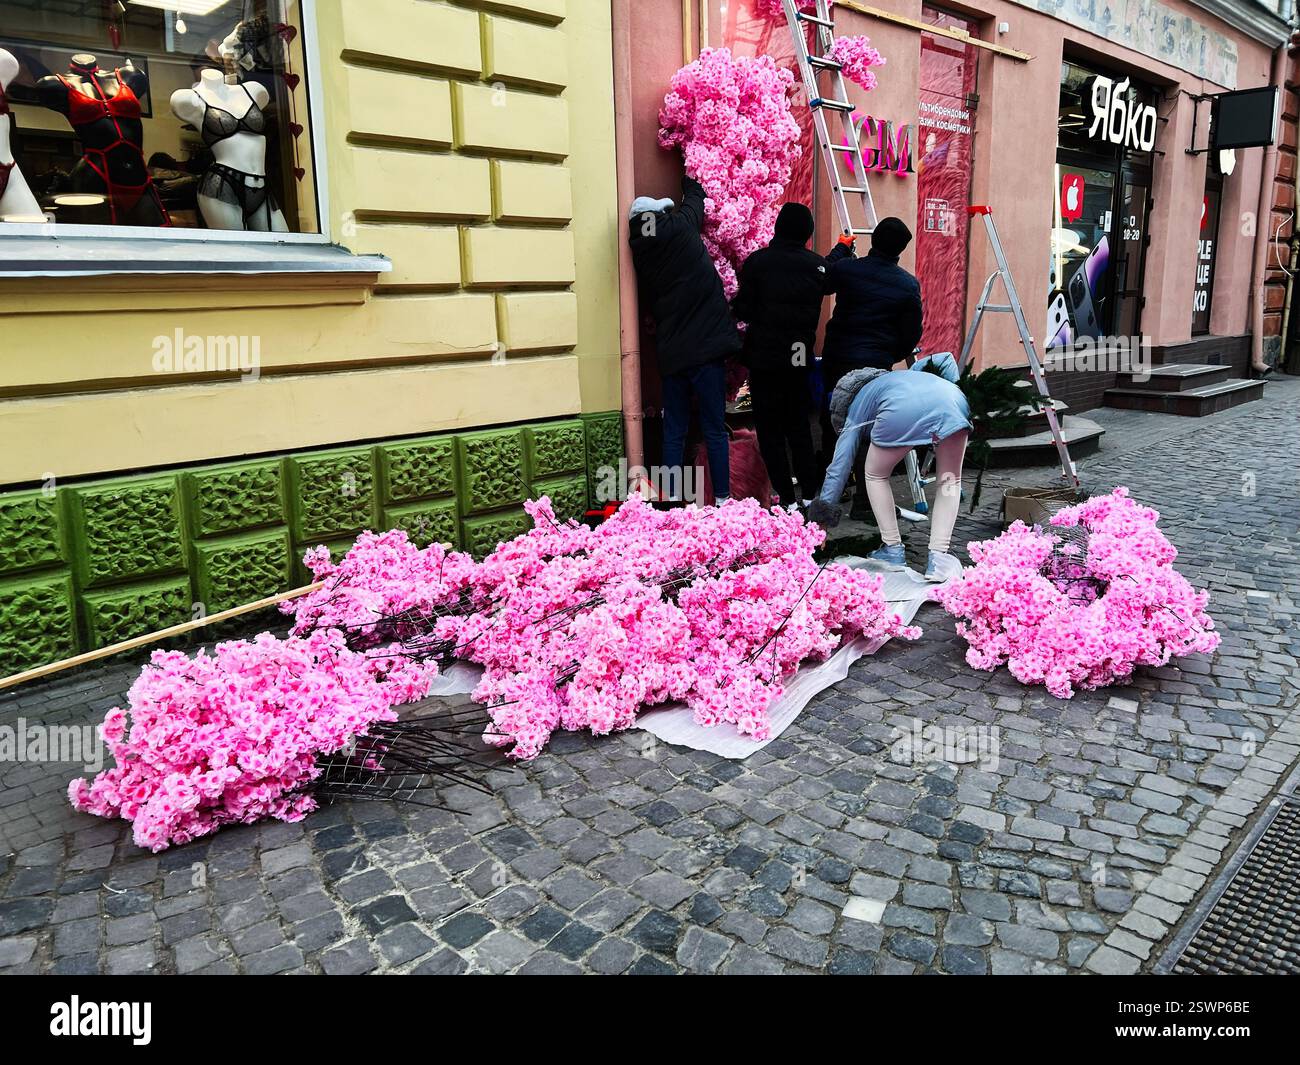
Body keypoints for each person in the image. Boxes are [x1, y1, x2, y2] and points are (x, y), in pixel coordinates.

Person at [628, 175, 741, 503]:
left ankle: (673, 500)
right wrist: (688, 177)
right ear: (659, 215)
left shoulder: (640, 253)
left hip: (673, 353)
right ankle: (721, 499)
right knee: (714, 428)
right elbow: (696, 202)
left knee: (673, 431)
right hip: (706, 351)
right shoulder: (679, 227)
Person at [806, 355, 971, 581]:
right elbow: (944, 358)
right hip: (954, 402)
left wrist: (821, 521)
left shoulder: (856, 405)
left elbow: (839, 466)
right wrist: (955, 386)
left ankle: (893, 550)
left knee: (874, 475)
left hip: (900, 410)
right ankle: (939, 558)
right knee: (950, 481)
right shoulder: (902, 376)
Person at [731, 202, 850, 508]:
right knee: (798, 426)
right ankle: (810, 493)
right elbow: (827, 273)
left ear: (777, 227)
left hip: (764, 359)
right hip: (798, 359)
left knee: (769, 430)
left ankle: (785, 497)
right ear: (808, 232)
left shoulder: (758, 263)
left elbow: (742, 309)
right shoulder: (815, 266)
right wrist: (840, 249)